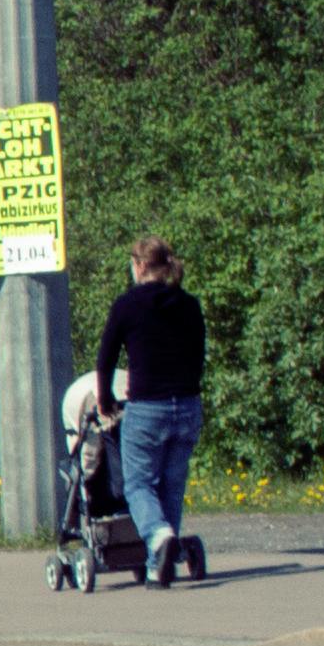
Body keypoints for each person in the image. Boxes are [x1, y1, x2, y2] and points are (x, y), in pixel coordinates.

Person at [96, 235, 211, 587]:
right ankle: (159, 563)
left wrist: (104, 400)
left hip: (147, 407)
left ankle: (159, 538)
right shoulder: (189, 304)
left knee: (138, 484)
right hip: (188, 405)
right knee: (172, 486)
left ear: (140, 265)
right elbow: (198, 353)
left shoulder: (128, 305)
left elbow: (106, 358)